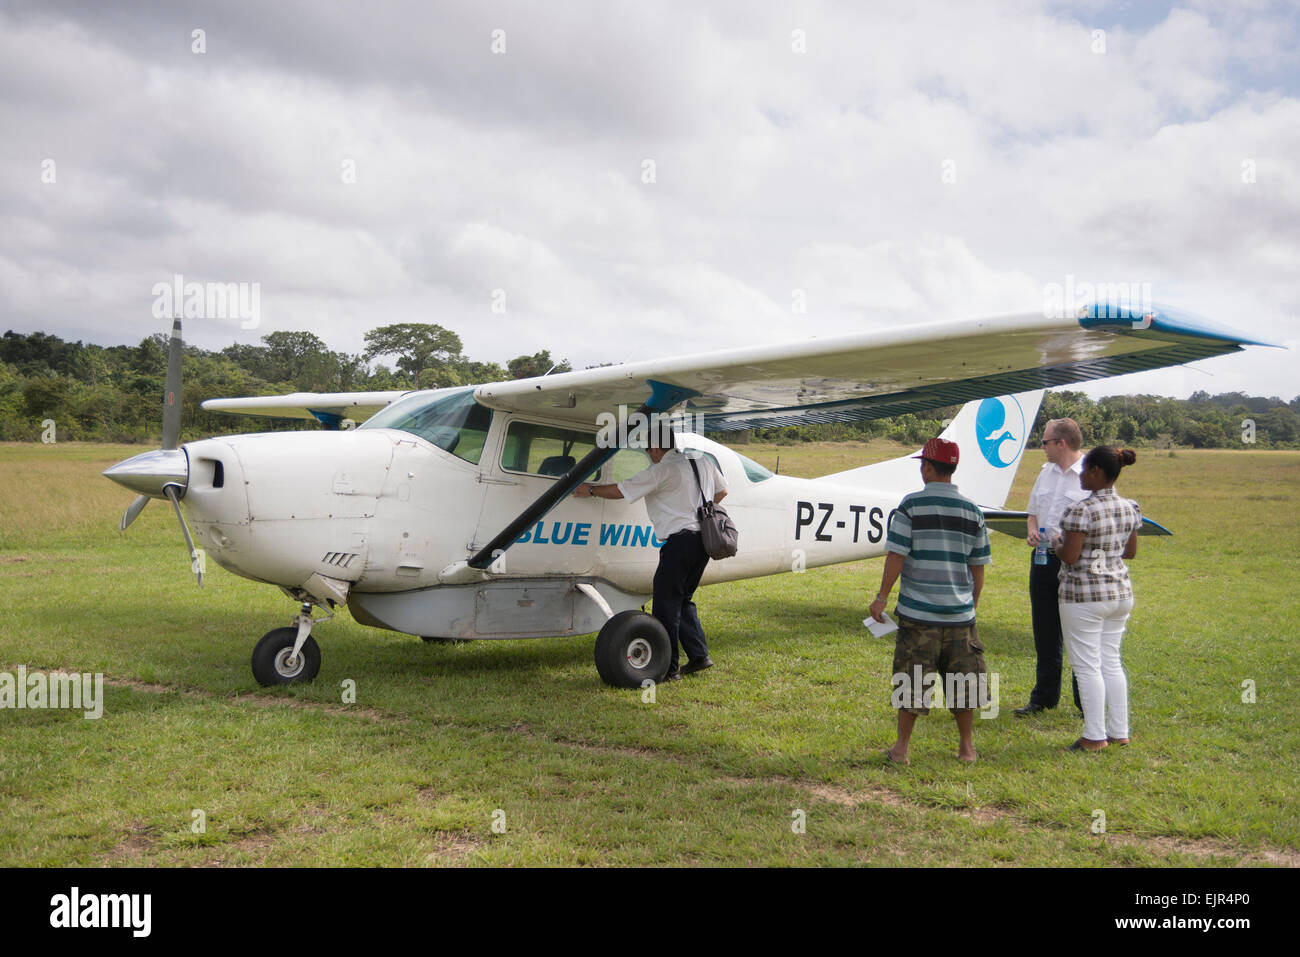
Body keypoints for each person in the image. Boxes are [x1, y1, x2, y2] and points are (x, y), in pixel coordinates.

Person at [870, 438, 990, 764]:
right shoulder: (973, 511)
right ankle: (966, 748)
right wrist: (971, 604)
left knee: (910, 681)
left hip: (917, 615)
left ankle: (901, 750)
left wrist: (881, 598)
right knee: (964, 683)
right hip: (960, 617)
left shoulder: (910, 506)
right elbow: (977, 566)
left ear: (927, 467)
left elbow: (897, 556)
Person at [574, 427, 727, 681]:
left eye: (648, 450)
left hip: (679, 542)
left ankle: (668, 668)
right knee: (682, 599)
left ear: (656, 449)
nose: (649, 455)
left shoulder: (662, 470)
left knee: (666, 604)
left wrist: (590, 490)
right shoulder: (701, 461)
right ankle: (699, 656)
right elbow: (721, 493)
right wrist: (695, 512)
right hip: (704, 541)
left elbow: (622, 490)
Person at [1053, 447, 1141, 752]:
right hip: (1119, 594)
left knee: (1087, 666)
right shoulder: (1130, 507)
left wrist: (1056, 543)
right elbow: (1130, 552)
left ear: (1096, 473)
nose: (1081, 475)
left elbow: (1071, 556)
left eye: (1085, 470)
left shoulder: (1080, 510)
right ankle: (1120, 731)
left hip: (1084, 595)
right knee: (1111, 662)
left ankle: (1094, 736)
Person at [1015, 417, 1087, 717]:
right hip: (1043, 557)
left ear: (1062, 443)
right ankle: (1044, 697)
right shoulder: (1045, 472)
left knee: (1078, 632)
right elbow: (1033, 511)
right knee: (1045, 630)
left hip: (1074, 561)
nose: (1041, 446)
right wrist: (1033, 530)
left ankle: (1086, 701)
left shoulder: (1089, 474)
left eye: (1045, 442)